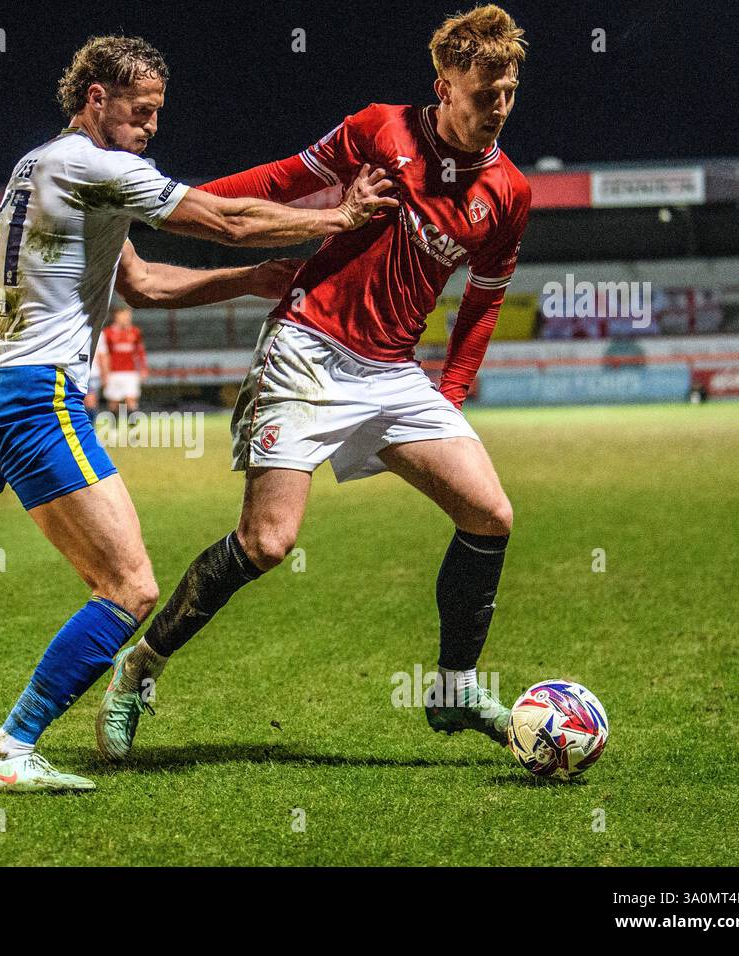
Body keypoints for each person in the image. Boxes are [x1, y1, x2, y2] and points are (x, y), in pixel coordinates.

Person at [0, 34, 393, 792]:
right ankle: (9, 750)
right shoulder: (99, 165)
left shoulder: (39, 165)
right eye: (141, 109)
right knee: (130, 587)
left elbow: (143, 285)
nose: (153, 125)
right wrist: (338, 217)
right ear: (96, 98)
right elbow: (217, 218)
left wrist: (249, 280)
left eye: (160, 112)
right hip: (31, 395)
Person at [96, 4, 533, 761]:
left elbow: (485, 301)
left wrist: (450, 396)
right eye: (481, 94)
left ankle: (455, 687)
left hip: (394, 373)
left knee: (490, 513)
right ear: (443, 86)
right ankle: (139, 669)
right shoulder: (381, 131)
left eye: (508, 92)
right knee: (267, 543)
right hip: (307, 350)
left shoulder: (511, 194)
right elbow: (285, 179)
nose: (497, 109)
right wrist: (171, 207)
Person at [97, 305, 148, 412]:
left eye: (128, 315)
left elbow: (140, 352)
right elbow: (103, 355)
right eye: (124, 315)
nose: (127, 318)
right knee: (113, 403)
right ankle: (113, 427)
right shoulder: (107, 333)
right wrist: (104, 374)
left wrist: (143, 369)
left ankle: (133, 427)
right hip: (113, 373)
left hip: (130, 372)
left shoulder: (135, 332)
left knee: (131, 400)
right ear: (116, 316)